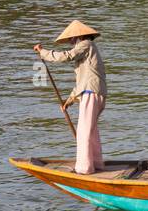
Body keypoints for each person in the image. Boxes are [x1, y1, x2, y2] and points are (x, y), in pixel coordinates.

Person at [34, 21, 107, 176]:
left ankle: (84, 168)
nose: (71, 42)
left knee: (83, 132)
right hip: (94, 92)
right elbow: (83, 80)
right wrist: (69, 100)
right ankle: (96, 164)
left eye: (72, 39)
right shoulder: (88, 51)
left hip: (91, 93)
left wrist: (43, 52)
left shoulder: (86, 44)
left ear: (79, 36)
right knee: (91, 131)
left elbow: (66, 56)